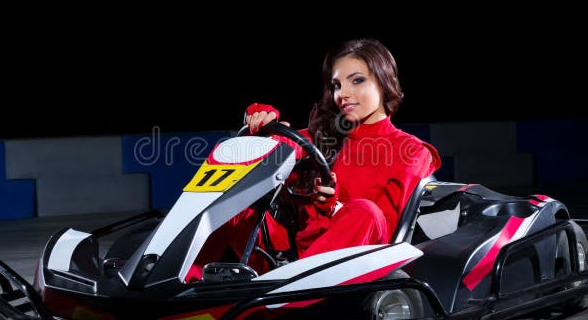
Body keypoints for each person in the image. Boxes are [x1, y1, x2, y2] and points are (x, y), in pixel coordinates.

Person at [188, 38, 440, 280]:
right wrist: (262, 124)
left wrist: (334, 208)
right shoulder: (318, 137)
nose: (343, 94)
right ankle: (182, 289)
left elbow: (384, 229)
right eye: (337, 85)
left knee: (365, 211)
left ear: (384, 81)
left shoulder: (412, 151)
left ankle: (289, 295)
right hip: (286, 261)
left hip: (351, 264)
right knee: (232, 194)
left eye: (357, 81)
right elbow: (272, 149)